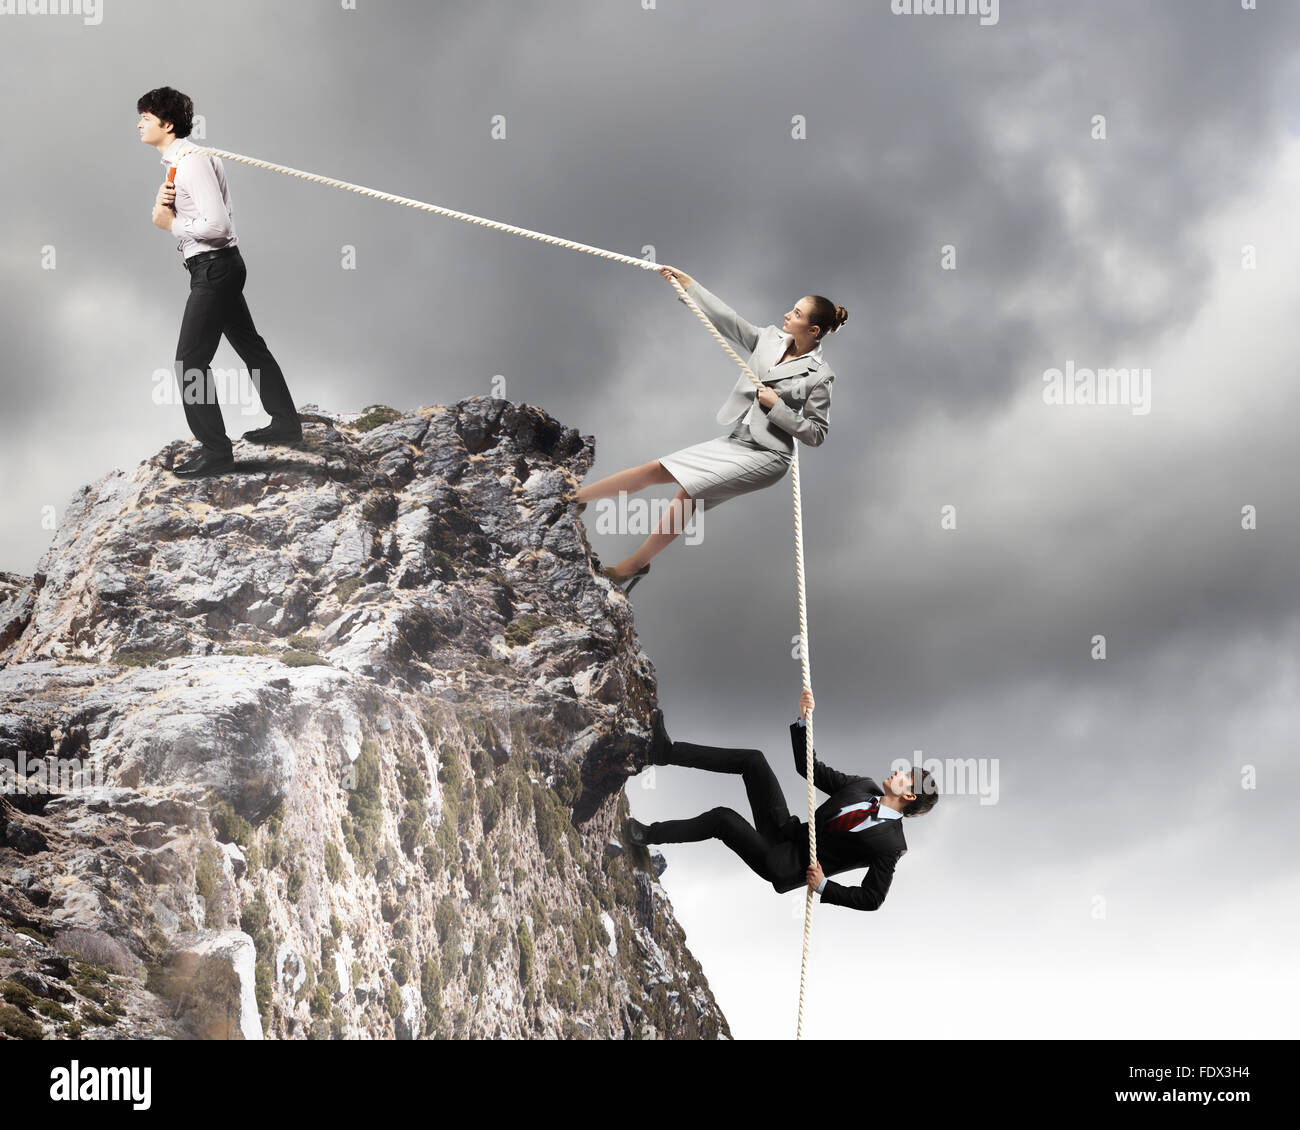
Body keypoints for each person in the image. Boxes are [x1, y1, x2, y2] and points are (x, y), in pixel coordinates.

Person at [575, 268, 847, 591]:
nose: (788, 314)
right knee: (656, 470)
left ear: (813, 329)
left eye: (797, 313)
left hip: (768, 457)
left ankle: (629, 567)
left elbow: (816, 433)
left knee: (689, 491)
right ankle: (576, 499)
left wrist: (777, 407)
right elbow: (728, 320)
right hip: (736, 441)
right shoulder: (770, 338)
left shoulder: (820, 375)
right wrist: (689, 286)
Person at [626, 690, 937, 911]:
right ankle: (665, 752)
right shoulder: (863, 787)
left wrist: (825, 887)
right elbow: (810, 769)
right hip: (785, 830)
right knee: (754, 761)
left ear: (909, 794)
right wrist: (804, 722)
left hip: (784, 864)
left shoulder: (892, 846)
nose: (897, 771)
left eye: (905, 774)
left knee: (722, 819)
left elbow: (872, 899)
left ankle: (646, 835)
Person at [138, 86, 303, 478]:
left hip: (215, 269)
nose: (139, 124)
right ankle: (286, 424)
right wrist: (171, 211)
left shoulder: (192, 162)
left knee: (189, 363)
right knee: (250, 345)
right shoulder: (182, 162)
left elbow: (218, 226)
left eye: (146, 116)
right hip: (216, 267)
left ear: (168, 123)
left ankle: (216, 452)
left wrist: (170, 223)